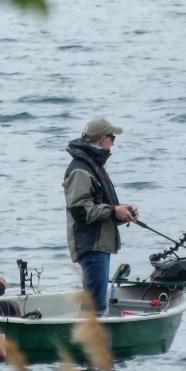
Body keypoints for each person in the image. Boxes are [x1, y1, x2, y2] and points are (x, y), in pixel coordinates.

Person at [63, 118, 138, 315]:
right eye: (112, 138)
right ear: (103, 139)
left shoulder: (92, 165)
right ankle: (90, 344)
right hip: (92, 246)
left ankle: (89, 342)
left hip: (97, 245)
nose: (114, 143)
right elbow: (80, 210)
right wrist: (114, 211)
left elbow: (97, 205)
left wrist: (121, 212)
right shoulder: (81, 169)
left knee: (94, 306)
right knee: (94, 308)